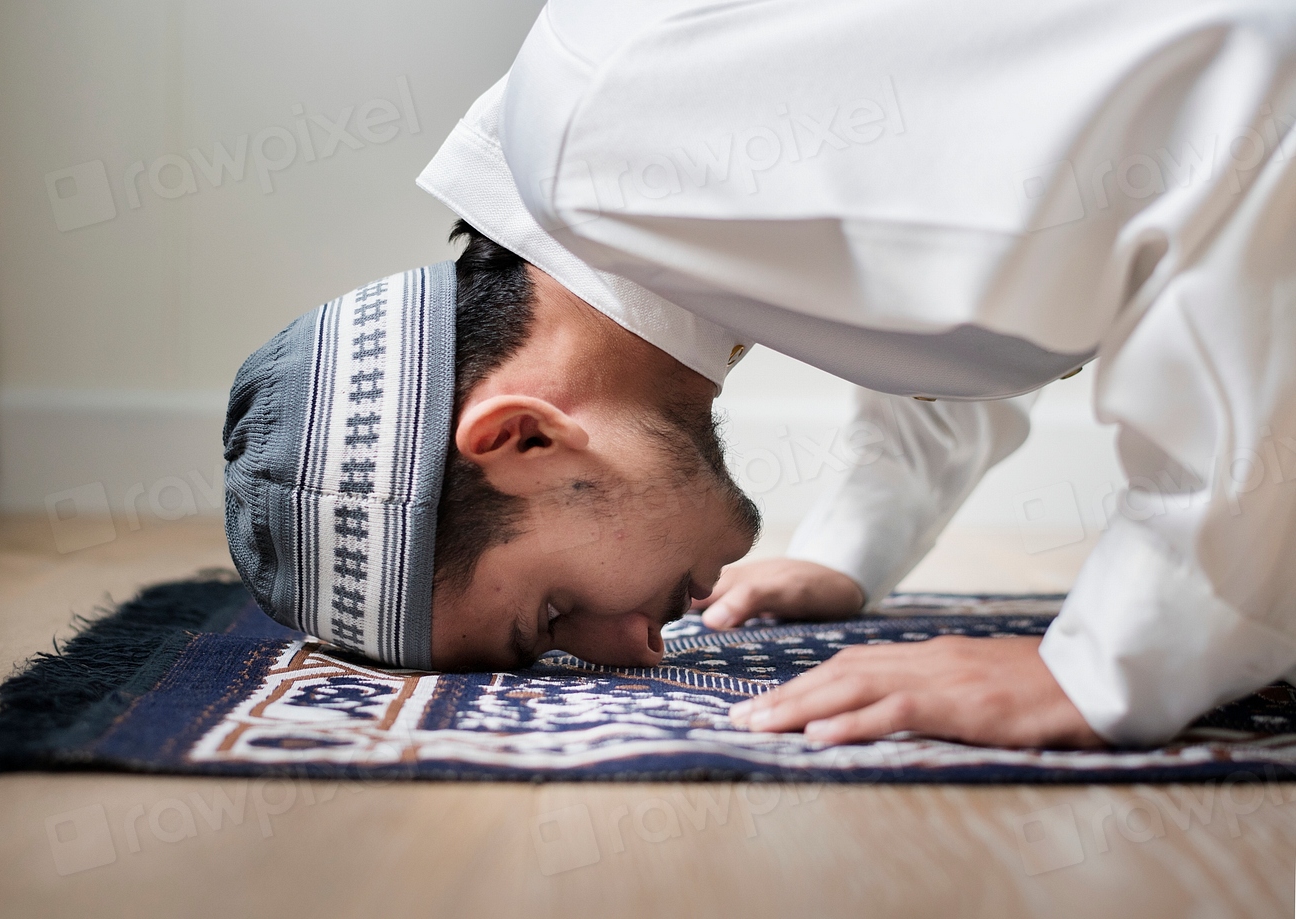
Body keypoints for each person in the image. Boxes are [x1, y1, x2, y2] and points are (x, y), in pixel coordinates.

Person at [226, 0, 1296, 750]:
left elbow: (1247, 108)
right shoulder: (634, 186)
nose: (633, 650)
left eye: (553, 614)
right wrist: (850, 547)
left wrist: (1127, 651)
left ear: (521, 436)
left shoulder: (623, 125)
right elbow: (984, 264)